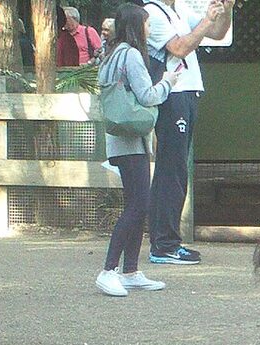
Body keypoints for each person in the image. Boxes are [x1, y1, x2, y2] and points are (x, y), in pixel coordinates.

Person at [95, 3, 181, 297]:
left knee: (137, 203)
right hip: (132, 140)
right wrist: (168, 82)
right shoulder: (131, 55)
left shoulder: (111, 53)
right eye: (146, 24)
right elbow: (147, 95)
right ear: (135, 26)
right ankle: (109, 270)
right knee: (137, 205)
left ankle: (130, 271)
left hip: (119, 139)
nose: (149, 28)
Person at [144, 0, 234, 265]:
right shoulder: (152, 12)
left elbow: (216, 32)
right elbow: (179, 47)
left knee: (173, 169)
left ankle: (165, 242)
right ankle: (164, 245)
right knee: (172, 170)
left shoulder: (180, 9)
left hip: (187, 93)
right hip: (172, 94)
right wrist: (207, 19)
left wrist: (226, 10)